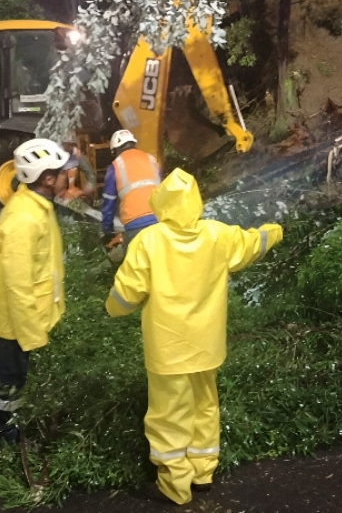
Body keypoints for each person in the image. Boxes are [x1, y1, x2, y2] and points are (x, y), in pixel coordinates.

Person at [104, 169, 282, 505]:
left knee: (169, 414)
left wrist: (110, 308)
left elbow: (126, 296)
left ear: (162, 202)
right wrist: (274, 230)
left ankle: (175, 485)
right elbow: (252, 243)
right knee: (205, 406)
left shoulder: (149, 241)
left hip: (168, 348)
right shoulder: (218, 235)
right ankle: (203, 473)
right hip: (207, 345)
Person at [0, 138, 79, 443]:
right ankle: (6, 434)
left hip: (21, 315)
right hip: (17, 318)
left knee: (3, 370)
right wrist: (31, 332)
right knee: (13, 379)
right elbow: (18, 284)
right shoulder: (24, 219)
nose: (69, 176)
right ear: (48, 179)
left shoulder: (37, 205)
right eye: (64, 172)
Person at [100, 129, 161, 249]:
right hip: (160, 220)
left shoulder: (115, 166)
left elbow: (109, 202)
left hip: (134, 224)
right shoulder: (151, 159)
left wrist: (107, 230)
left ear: (114, 150)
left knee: (138, 264)